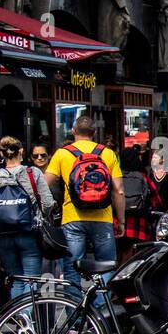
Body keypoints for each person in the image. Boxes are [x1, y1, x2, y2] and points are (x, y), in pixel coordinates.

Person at [44, 113, 125, 297]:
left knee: (72, 268)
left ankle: (76, 317)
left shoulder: (62, 154)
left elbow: (44, 183)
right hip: (103, 218)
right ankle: (101, 314)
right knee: (106, 265)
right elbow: (118, 190)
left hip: (73, 218)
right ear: (94, 133)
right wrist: (121, 221)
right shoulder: (107, 153)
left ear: (73, 131)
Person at [0, 135, 54, 299]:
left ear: (2, 154)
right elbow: (48, 202)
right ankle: (26, 317)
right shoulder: (32, 172)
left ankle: (20, 318)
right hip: (28, 233)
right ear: (21, 152)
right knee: (31, 281)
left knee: (16, 280)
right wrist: (42, 216)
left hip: (3, 236)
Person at [116, 145, 162, 262]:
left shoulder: (116, 178)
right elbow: (157, 201)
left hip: (117, 226)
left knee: (118, 258)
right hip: (140, 225)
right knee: (138, 259)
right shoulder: (143, 177)